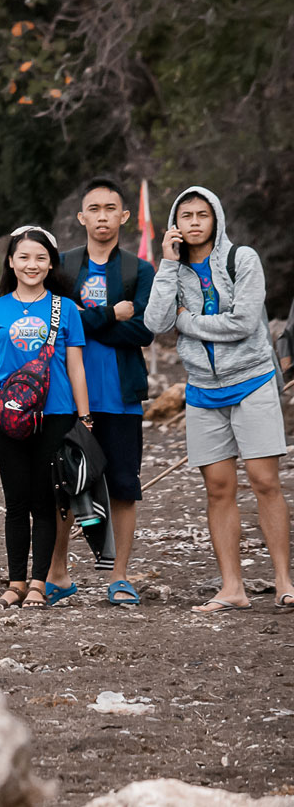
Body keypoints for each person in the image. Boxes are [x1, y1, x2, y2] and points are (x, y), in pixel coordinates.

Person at [145, 187, 292, 614]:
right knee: (218, 489)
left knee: (265, 481)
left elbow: (244, 323)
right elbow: (155, 322)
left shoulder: (242, 259)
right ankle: (232, 587)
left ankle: (285, 580)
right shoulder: (174, 270)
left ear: (216, 219)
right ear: (175, 222)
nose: (194, 222)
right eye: (185, 215)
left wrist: (187, 322)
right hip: (203, 390)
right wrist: (167, 265)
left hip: (252, 380)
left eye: (202, 215)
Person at [0, 226, 90, 610]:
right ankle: (15, 583)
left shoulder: (65, 308)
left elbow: (76, 367)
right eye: (24, 257)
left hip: (56, 416)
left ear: (51, 263)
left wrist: (85, 418)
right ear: (10, 261)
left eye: (40, 258)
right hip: (9, 420)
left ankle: (39, 584)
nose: (32, 264)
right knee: (15, 501)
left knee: (46, 502)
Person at [53, 178, 156, 605]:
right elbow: (59, 323)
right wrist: (112, 314)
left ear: (124, 216)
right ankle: (56, 574)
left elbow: (146, 330)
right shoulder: (61, 266)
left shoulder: (138, 269)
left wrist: (88, 319)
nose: (101, 216)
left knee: (122, 485)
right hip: (66, 398)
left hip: (121, 398)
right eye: (93, 208)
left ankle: (119, 576)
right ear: (81, 217)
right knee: (63, 485)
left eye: (109, 208)